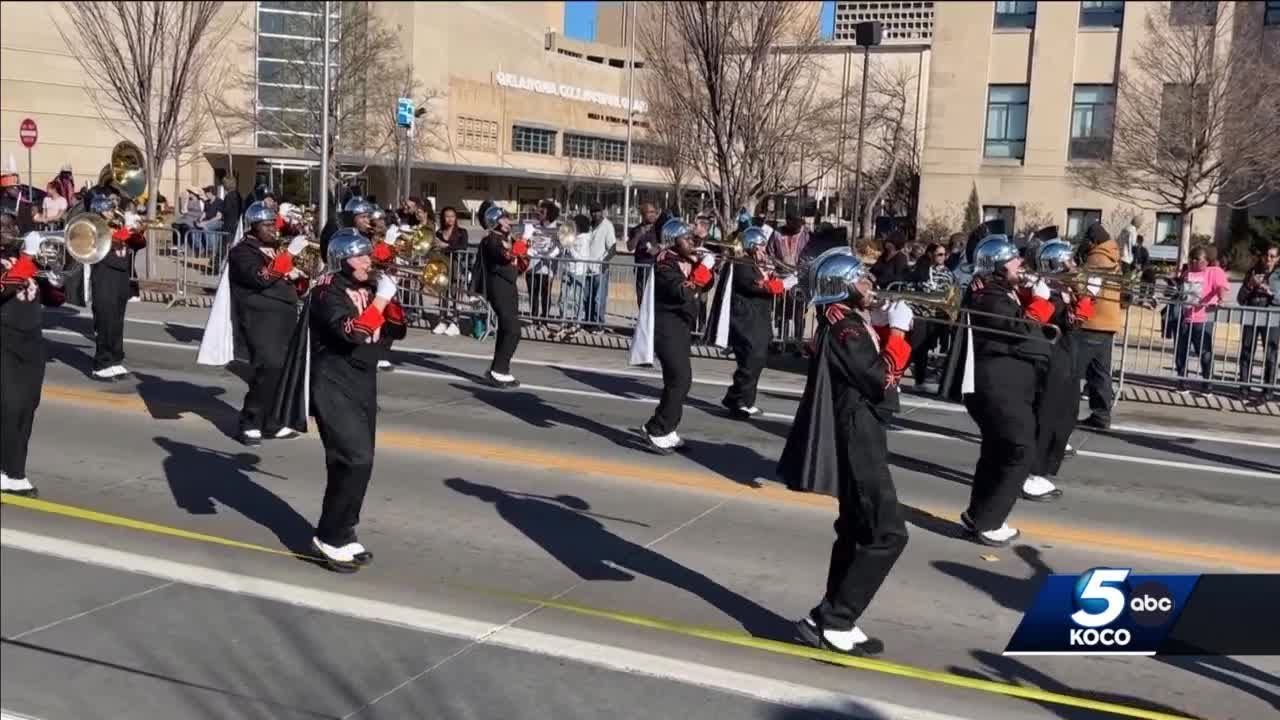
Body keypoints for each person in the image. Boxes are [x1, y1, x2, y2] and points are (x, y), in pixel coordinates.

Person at [779, 248, 913, 657]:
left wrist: (889, 325)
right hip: (857, 431)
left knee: (856, 530)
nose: (870, 283)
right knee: (887, 532)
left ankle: (832, 617)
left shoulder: (847, 322)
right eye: (861, 278)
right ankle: (834, 618)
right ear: (841, 285)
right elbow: (877, 379)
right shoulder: (845, 330)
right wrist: (900, 334)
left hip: (860, 427)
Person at [305, 229, 406, 570]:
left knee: (359, 462)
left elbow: (395, 330)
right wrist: (379, 300)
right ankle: (329, 537)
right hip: (333, 381)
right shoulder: (326, 290)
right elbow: (352, 333)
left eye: (367, 255)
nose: (367, 260)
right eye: (360, 256)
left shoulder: (367, 286)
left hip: (363, 380)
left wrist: (388, 297)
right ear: (340, 259)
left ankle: (342, 531)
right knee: (353, 457)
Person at [960, 236, 1055, 546]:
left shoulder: (1000, 291)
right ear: (999, 268)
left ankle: (978, 515)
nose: (1022, 266)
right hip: (997, 385)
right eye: (1015, 262)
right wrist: (1041, 301)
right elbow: (1022, 329)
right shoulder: (989, 296)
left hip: (1007, 384)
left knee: (996, 452)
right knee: (1019, 451)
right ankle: (989, 522)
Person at [227, 202, 308, 446]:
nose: (273, 229)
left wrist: (298, 278)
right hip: (259, 319)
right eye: (266, 225)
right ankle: (249, 421)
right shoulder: (242, 252)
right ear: (253, 227)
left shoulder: (274, 248)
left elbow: (282, 277)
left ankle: (272, 421)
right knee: (268, 370)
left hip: (284, 316)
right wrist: (289, 256)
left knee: (284, 371)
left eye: (274, 223)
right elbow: (260, 278)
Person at [1023, 241, 1099, 502]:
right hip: (1049, 358)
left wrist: (1085, 295)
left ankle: (1045, 468)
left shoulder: (1069, 289)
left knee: (1067, 414)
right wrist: (1053, 299)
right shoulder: (1040, 289)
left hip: (1068, 355)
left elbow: (1078, 319)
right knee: (1045, 415)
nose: (1073, 266)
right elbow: (1034, 321)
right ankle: (1031, 472)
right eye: (1067, 263)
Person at [2, 207, 66, 497]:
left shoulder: (26, 259)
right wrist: (27, 260)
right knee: (8, 406)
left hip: (31, 339)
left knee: (27, 407)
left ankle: (15, 472)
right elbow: (4, 288)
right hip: (4, 338)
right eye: (4, 227)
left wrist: (53, 276)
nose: (11, 232)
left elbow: (54, 300)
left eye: (13, 227)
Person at [639, 219, 717, 452]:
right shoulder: (665, 262)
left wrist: (705, 265)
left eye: (693, 238)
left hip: (682, 324)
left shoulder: (687, 259)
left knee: (681, 381)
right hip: (666, 325)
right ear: (674, 241)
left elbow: (706, 285)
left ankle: (668, 426)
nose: (692, 242)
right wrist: (702, 269)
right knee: (679, 379)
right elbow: (682, 291)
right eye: (687, 239)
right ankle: (656, 429)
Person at [721, 227, 795, 418]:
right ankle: (737, 399)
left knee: (758, 360)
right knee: (751, 360)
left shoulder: (757, 262)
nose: (764, 249)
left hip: (759, 317)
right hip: (745, 318)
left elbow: (766, 280)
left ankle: (745, 400)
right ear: (752, 245)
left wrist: (778, 274)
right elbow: (754, 286)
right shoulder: (742, 263)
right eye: (761, 244)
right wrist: (783, 284)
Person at [89, 195, 145, 380]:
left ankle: (115, 359)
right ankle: (101, 364)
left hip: (121, 274)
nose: (112, 211)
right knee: (106, 319)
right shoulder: (93, 227)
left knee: (117, 320)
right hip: (104, 274)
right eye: (108, 209)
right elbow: (106, 242)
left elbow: (139, 244)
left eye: (112, 208)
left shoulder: (117, 224)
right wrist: (125, 230)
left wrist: (137, 230)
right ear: (98, 211)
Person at [1075, 222, 1123, 429]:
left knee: (1073, 368)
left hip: (1093, 321)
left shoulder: (1096, 258)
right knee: (1100, 372)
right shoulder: (1114, 257)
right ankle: (1101, 415)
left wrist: (1072, 273)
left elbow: (1086, 289)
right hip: (1109, 320)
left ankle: (1064, 412)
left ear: (1093, 241)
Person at [476, 205, 528, 388]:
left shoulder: (508, 238)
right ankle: (499, 370)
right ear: (495, 222)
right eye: (504, 219)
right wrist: (522, 243)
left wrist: (525, 249)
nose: (508, 221)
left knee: (507, 329)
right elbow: (504, 257)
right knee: (513, 330)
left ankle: (498, 369)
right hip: (497, 287)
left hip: (510, 286)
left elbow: (520, 265)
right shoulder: (490, 240)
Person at [1174, 246, 1230, 395]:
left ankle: (1207, 384)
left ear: (1206, 261)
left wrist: (1222, 299)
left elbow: (1221, 287)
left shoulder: (1214, 272)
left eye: (1197, 259)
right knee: (1181, 352)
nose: (1193, 261)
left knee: (1204, 353)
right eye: (1191, 258)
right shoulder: (1187, 273)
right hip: (1186, 317)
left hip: (1203, 319)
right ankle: (1182, 382)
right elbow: (1182, 293)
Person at [904, 242, 953, 387]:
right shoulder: (920, 269)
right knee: (917, 346)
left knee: (927, 347)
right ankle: (916, 378)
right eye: (939, 254)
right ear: (931, 254)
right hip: (920, 313)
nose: (942, 257)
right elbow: (909, 286)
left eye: (944, 255)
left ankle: (921, 378)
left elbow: (949, 294)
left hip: (936, 316)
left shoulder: (947, 274)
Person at [1237, 243, 1279, 402]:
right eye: (1266, 255)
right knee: (1247, 352)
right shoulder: (1253, 272)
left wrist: (1270, 293)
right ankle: (1244, 389)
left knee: (1270, 355)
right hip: (1252, 316)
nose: (1268, 259)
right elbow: (1240, 299)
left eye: (1272, 256)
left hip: (1272, 319)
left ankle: (1267, 390)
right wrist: (1250, 285)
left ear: (1277, 258)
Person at [768, 214, 810, 345]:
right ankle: (782, 341)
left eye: (800, 224)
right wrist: (773, 268)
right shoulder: (777, 234)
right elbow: (770, 252)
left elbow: (811, 254)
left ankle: (798, 343)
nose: (798, 226)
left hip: (800, 279)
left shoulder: (806, 234)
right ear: (788, 221)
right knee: (782, 312)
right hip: (781, 278)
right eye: (795, 223)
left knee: (799, 313)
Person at [432, 206, 469, 337]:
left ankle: (455, 321)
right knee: (442, 293)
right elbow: (435, 247)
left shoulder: (462, 232)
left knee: (455, 294)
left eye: (452, 216)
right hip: (442, 266)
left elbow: (463, 246)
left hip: (456, 266)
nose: (450, 219)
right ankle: (442, 320)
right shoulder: (439, 232)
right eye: (447, 216)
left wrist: (446, 246)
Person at [627, 203, 665, 307]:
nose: (653, 214)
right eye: (650, 212)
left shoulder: (659, 229)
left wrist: (657, 249)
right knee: (641, 298)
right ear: (643, 214)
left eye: (654, 212)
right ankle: (642, 320)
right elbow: (630, 247)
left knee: (654, 299)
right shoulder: (636, 229)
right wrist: (638, 235)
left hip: (656, 269)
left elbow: (666, 245)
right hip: (641, 270)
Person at [585, 203, 615, 330]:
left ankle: (598, 324)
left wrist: (604, 262)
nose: (594, 214)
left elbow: (613, 248)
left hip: (600, 268)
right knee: (587, 297)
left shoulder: (607, 226)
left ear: (602, 212)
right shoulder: (589, 226)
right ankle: (588, 321)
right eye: (592, 211)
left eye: (597, 211)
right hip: (586, 267)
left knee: (599, 298)